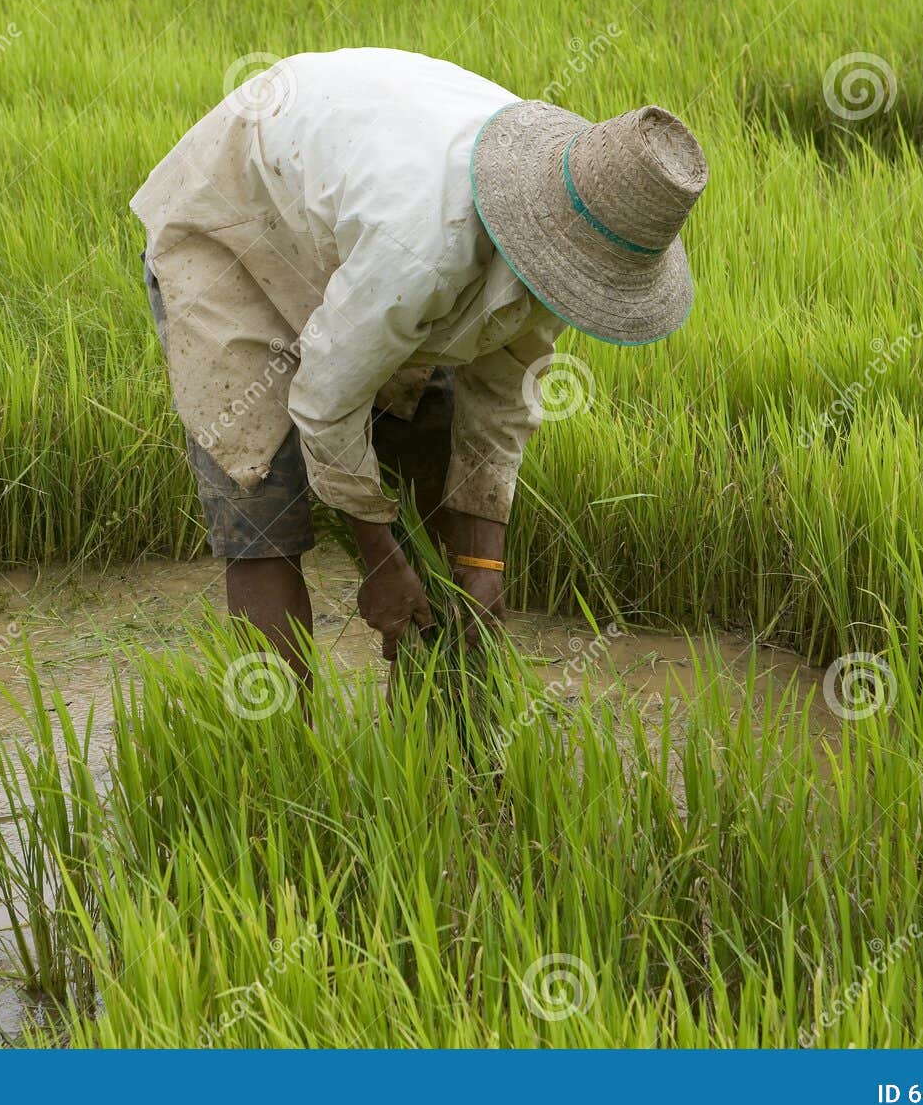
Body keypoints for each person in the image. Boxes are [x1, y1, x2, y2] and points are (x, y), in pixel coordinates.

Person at [132, 47, 707, 677]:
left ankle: (439, 739)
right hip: (240, 222)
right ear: (548, 239)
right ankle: (284, 756)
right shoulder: (422, 247)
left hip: (350, 221)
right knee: (263, 503)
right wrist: (380, 561)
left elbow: (504, 394)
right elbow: (326, 401)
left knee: (429, 479)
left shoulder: (568, 217)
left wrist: (484, 567)